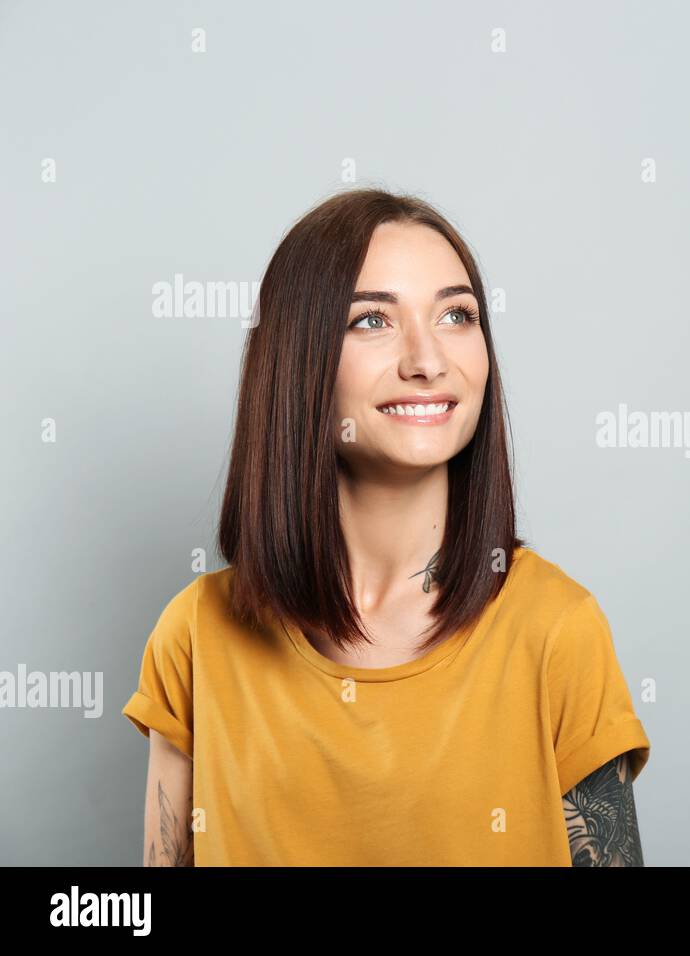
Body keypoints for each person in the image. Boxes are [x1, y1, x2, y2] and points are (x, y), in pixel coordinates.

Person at [122, 188, 649, 866]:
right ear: (296, 359)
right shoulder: (194, 636)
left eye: (457, 314)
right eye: (372, 321)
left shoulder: (558, 629)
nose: (428, 361)